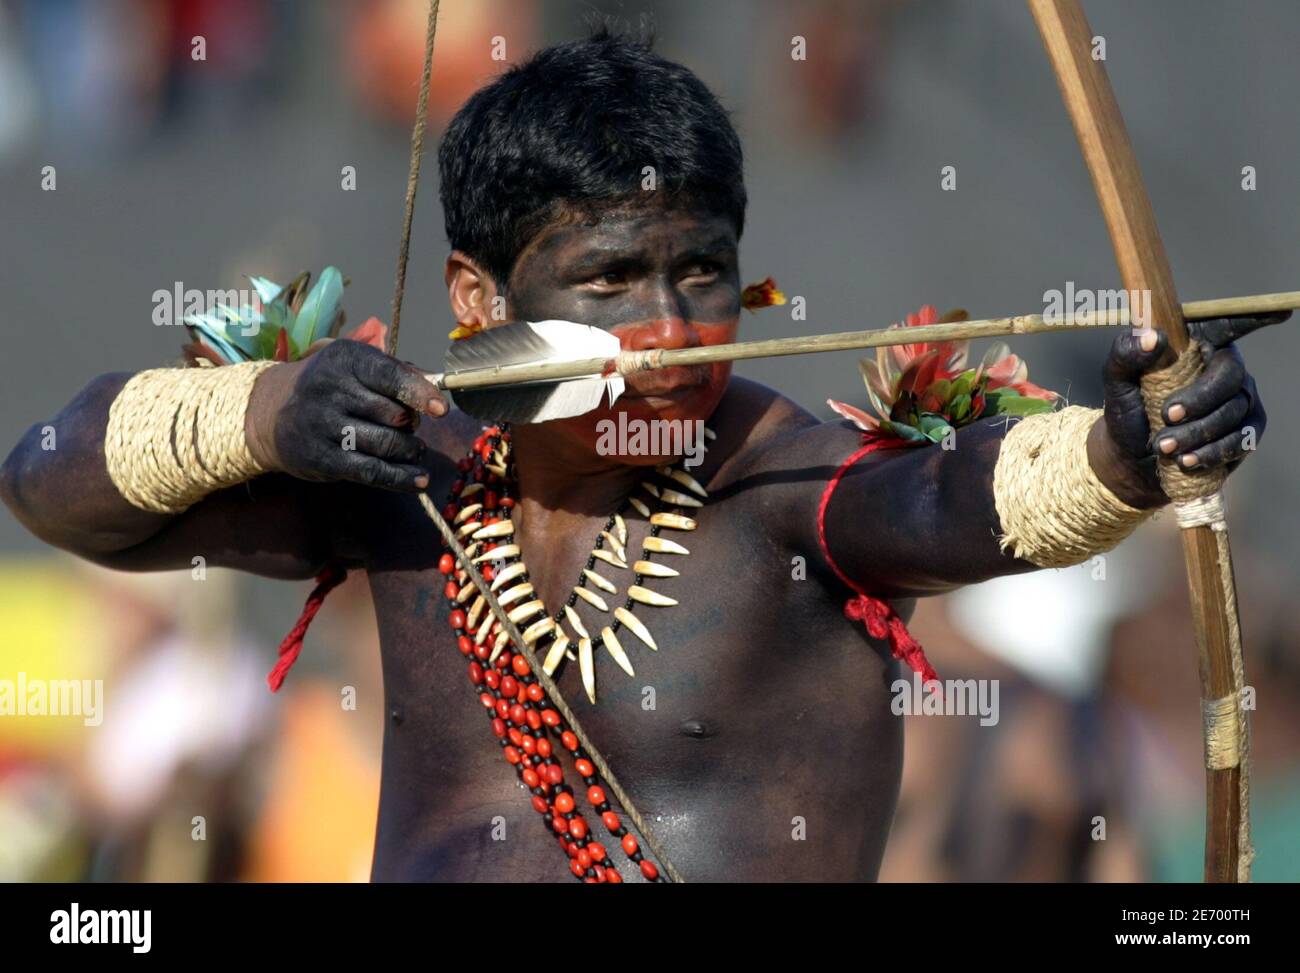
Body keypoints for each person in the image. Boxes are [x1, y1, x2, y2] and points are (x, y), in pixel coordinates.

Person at [0, 29, 1279, 882]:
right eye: (609, 279)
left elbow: (958, 498)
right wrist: (264, 412)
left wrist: (1129, 446)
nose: (667, 326)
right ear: (476, 299)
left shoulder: (789, 483)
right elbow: (51, 485)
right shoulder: (405, 481)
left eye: (701, 272)